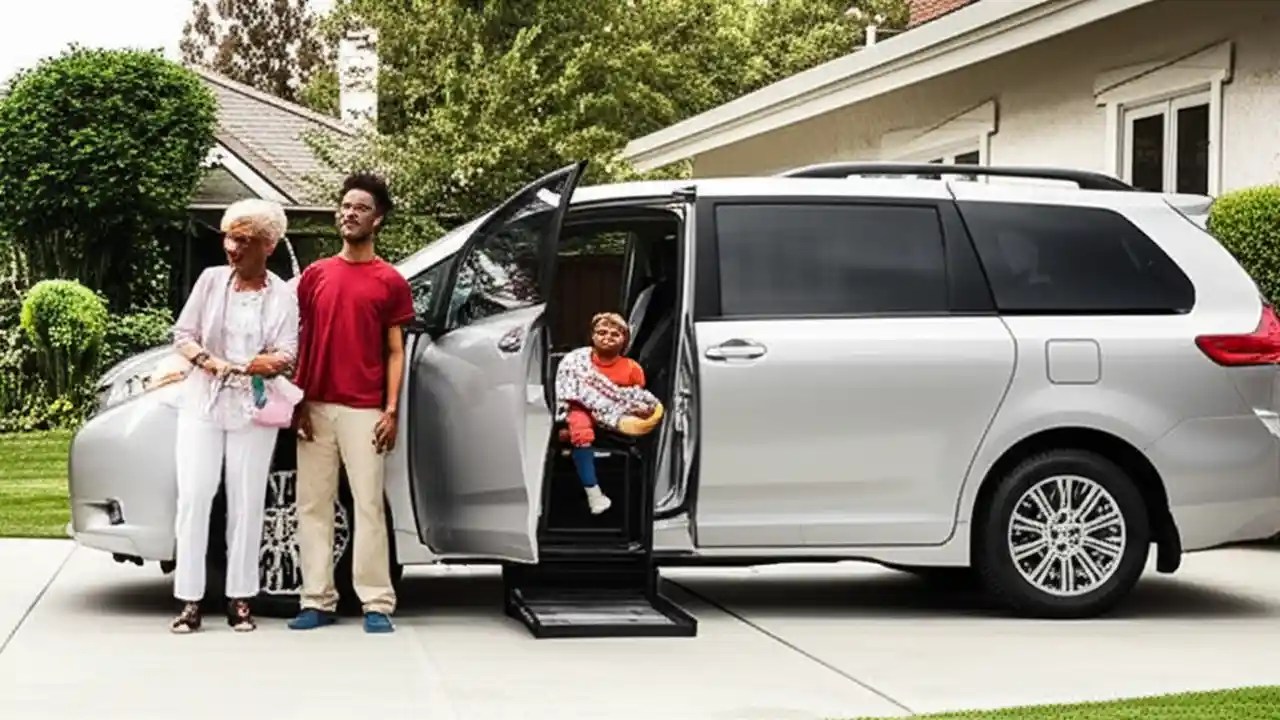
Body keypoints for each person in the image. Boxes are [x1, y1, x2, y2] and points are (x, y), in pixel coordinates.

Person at [288, 172, 415, 634]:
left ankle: (376, 603)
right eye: (344, 206)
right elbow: (300, 340)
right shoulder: (315, 275)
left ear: (376, 219)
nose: (349, 213)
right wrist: (297, 401)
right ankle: (316, 600)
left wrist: (391, 409)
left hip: (365, 409)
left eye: (359, 207)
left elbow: (396, 351)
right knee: (313, 506)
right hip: (316, 406)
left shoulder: (390, 281)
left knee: (368, 506)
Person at [168, 198, 299, 633]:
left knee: (246, 500)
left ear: (268, 245)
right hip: (204, 399)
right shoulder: (210, 281)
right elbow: (183, 334)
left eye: (243, 240)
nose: (232, 247)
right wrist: (209, 361)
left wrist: (258, 365)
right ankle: (189, 599)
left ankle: (240, 598)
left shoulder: (282, 294)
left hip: (252, 405)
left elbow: (286, 352)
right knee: (195, 495)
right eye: (229, 237)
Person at [555, 312, 664, 514]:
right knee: (580, 428)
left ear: (624, 340)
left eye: (615, 334)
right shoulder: (577, 363)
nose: (607, 337)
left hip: (616, 414)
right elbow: (572, 390)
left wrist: (636, 409)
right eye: (602, 332)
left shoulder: (632, 368)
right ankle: (594, 494)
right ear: (593, 336)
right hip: (582, 408)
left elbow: (633, 396)